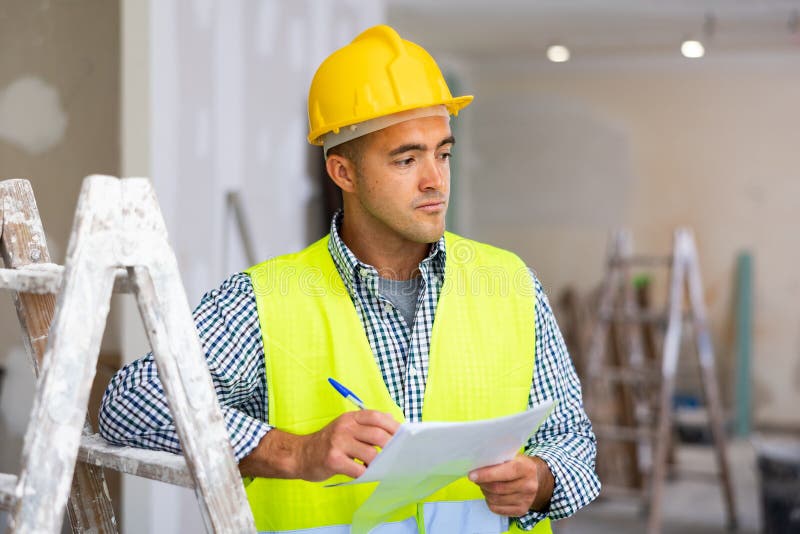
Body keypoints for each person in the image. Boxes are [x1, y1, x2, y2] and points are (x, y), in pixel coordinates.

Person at [99, 24, 599, 533]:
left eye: (442, 154)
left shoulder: (511, 283)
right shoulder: (262, 300)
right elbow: (129, 405)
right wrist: (292, 452)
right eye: (407, 159)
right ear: (344, 173)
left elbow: (573, 444)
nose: (435, 180)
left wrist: (541, 480)